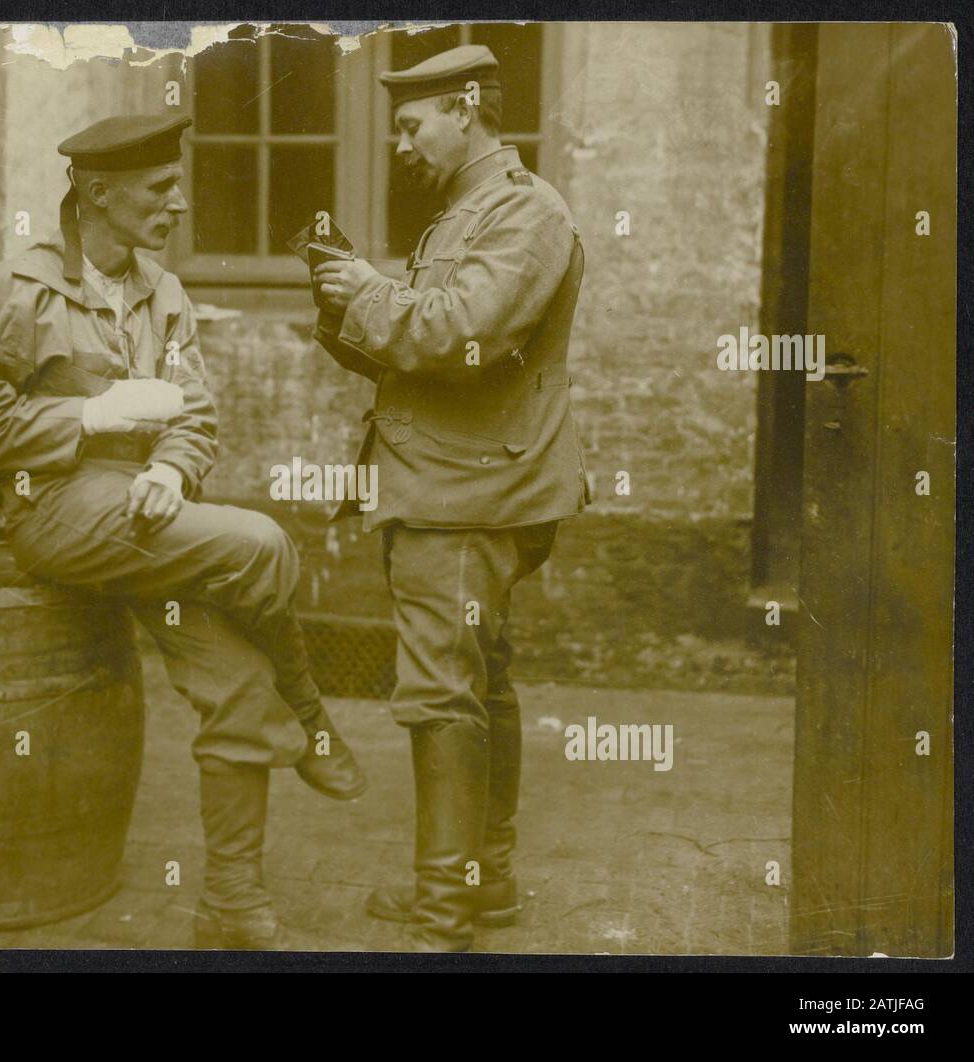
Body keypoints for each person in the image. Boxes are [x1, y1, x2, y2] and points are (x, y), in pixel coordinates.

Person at [0, 114, 366, 950]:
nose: (176, 204)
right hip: (59, 511)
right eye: (158, 190)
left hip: (151, 514)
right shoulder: (21, 288)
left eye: (175, 185)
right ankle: (314, 714)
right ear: (98, 195)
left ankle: (231, 908)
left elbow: (195, 411)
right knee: (262, 544)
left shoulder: (160, 291)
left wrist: (173, 469)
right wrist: (92, 414)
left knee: (240, 685)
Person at [312, 45, 591, 952]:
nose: (399, 143)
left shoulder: (525, 211)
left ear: (467, 106)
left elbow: (463, 336)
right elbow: (412, 349)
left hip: (469, 496)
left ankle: (443, 918)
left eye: (410, 123)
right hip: (458, 481)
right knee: (481, 683)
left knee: (439, 694)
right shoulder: (466, 214)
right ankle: (485, 883)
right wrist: (341, 299)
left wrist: (371, 292)